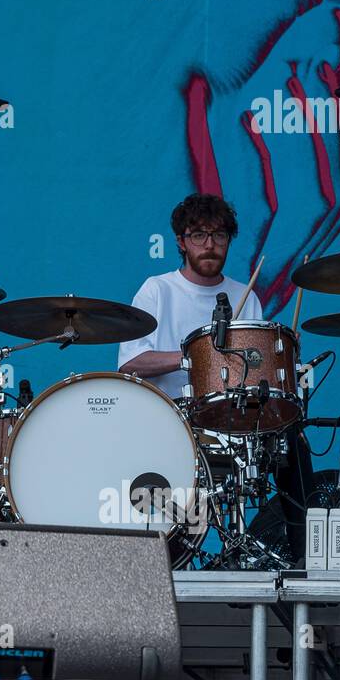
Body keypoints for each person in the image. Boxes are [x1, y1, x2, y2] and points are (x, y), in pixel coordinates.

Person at [118, 192, 312, 562]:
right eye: (198, 236)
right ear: (181, 241)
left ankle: (304, 556)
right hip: (173, 420)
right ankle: (172, 553)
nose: (209, 245)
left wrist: (281, 354)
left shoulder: (244, 295)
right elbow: (130, 364)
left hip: (234, 419)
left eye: (218, 236)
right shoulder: (157, 291)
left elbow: (255, 369)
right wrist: (195, 360)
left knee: (293, 437)